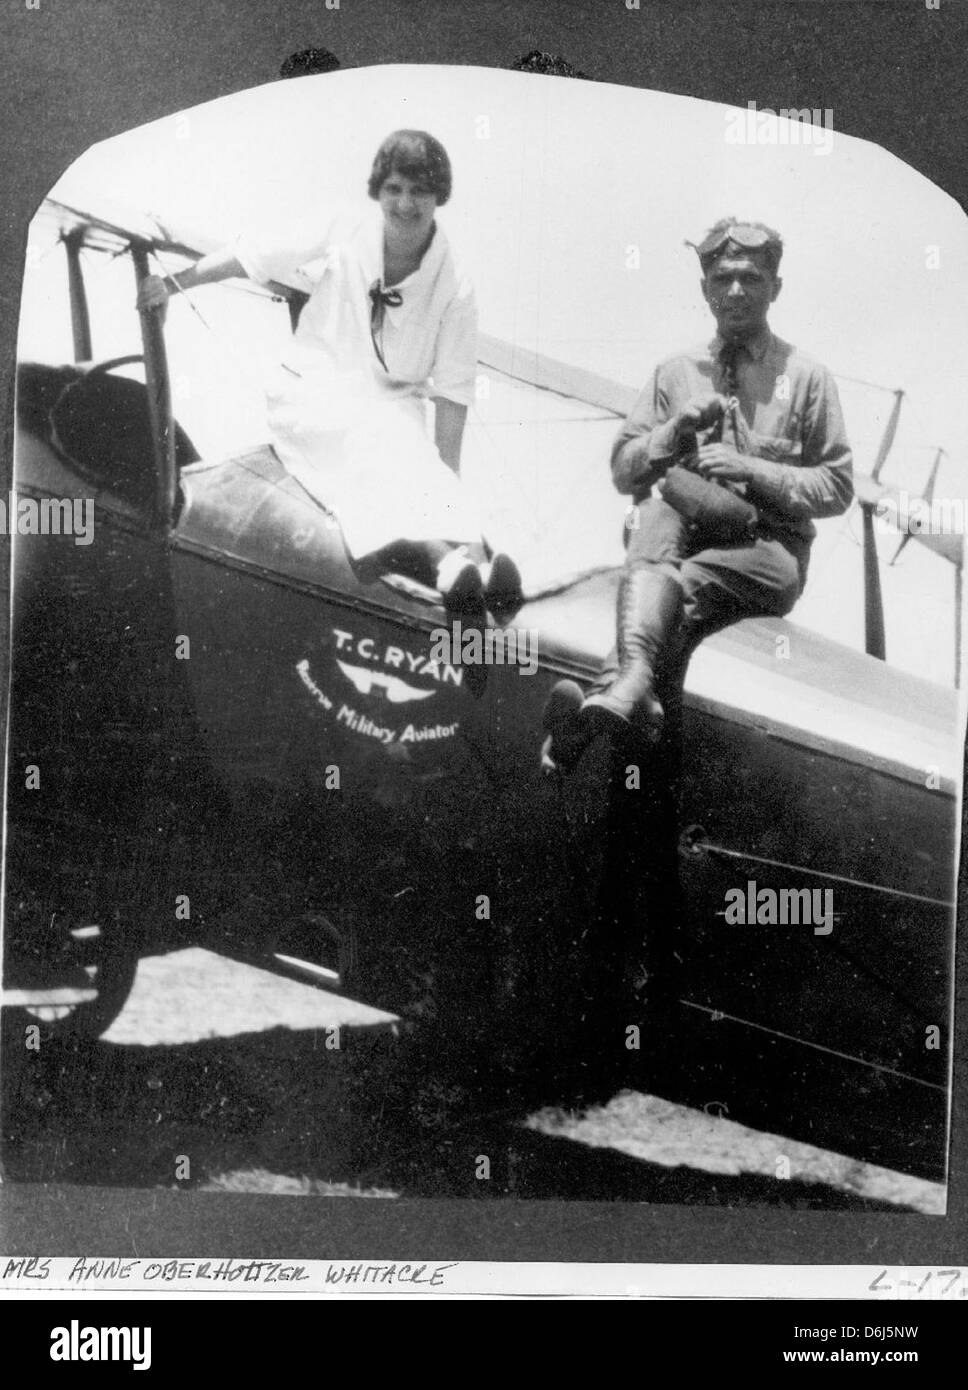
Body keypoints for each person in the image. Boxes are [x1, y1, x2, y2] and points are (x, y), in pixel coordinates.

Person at [137, 129, 522, 631]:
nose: (405, 204)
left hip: (393, 408)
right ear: (378, 192)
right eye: (394, 190)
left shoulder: (456, 286)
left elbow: (452, 396)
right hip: (318, 391)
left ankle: (480, 569)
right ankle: (448, 567)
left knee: (419, 464)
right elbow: (257, 253)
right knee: (372, 452)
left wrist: (450, 488)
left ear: (438, 197)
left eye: (419, 192)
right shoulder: (346, 226)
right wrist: (173, 282)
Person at [542, 218, 854, 769]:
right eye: (723, 278)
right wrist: (674, 432)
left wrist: (749, 469)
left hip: (764, 549)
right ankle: (632, 693)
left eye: (751, 279)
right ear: (705, 288)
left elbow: (836, 487)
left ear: (774, 289)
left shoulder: (806, 378)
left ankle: (605, 697)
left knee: (674, 586)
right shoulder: (676, 372)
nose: (735, 290)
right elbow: (622, 471)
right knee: (651, 517)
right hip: (677, 534)